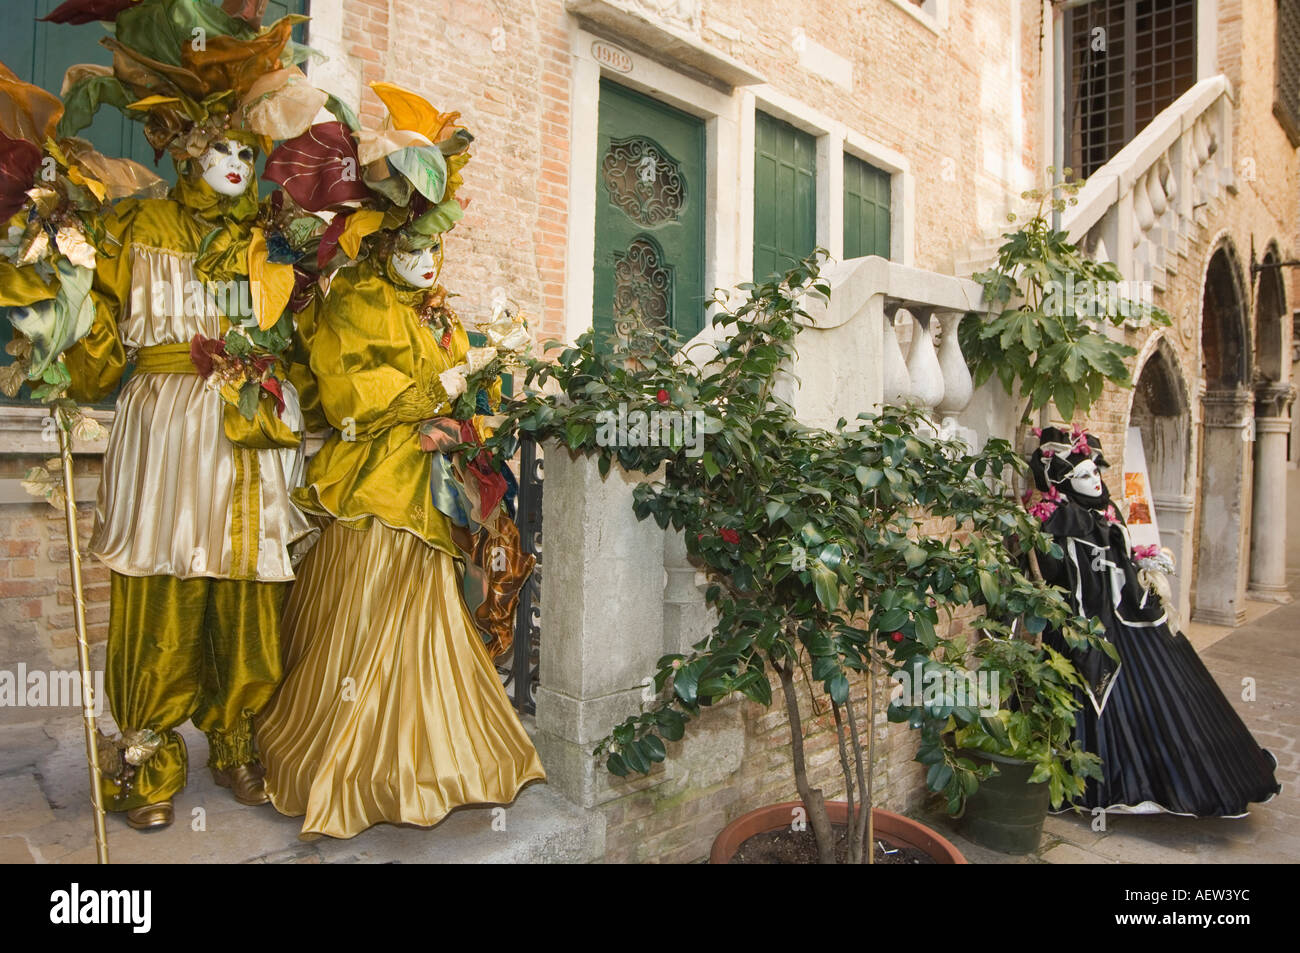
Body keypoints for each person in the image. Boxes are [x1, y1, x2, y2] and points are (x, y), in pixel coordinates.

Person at [255, 85, 544, 838]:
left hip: (432, 483)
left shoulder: (439, 317)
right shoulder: (357, 304)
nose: (424, 261)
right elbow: (346, 390)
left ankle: (431, 757)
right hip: (377, 486)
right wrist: (433, 394)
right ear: (385, 248)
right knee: (371, 621)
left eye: (432, 249)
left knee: (429, 623)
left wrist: (464, 408)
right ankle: (350, 764)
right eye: (410, 248)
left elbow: (462, 395)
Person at [1026, 426, 1281, 817]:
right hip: (1093, 624)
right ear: (1063, 483)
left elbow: (1118, 561)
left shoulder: (1102, 514)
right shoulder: (1063, 522)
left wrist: (1143, 563)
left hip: (1129, 618)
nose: (1095, 481)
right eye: (1083, 476)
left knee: (1174, 695)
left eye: (1096, 472)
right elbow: (1076, 580)